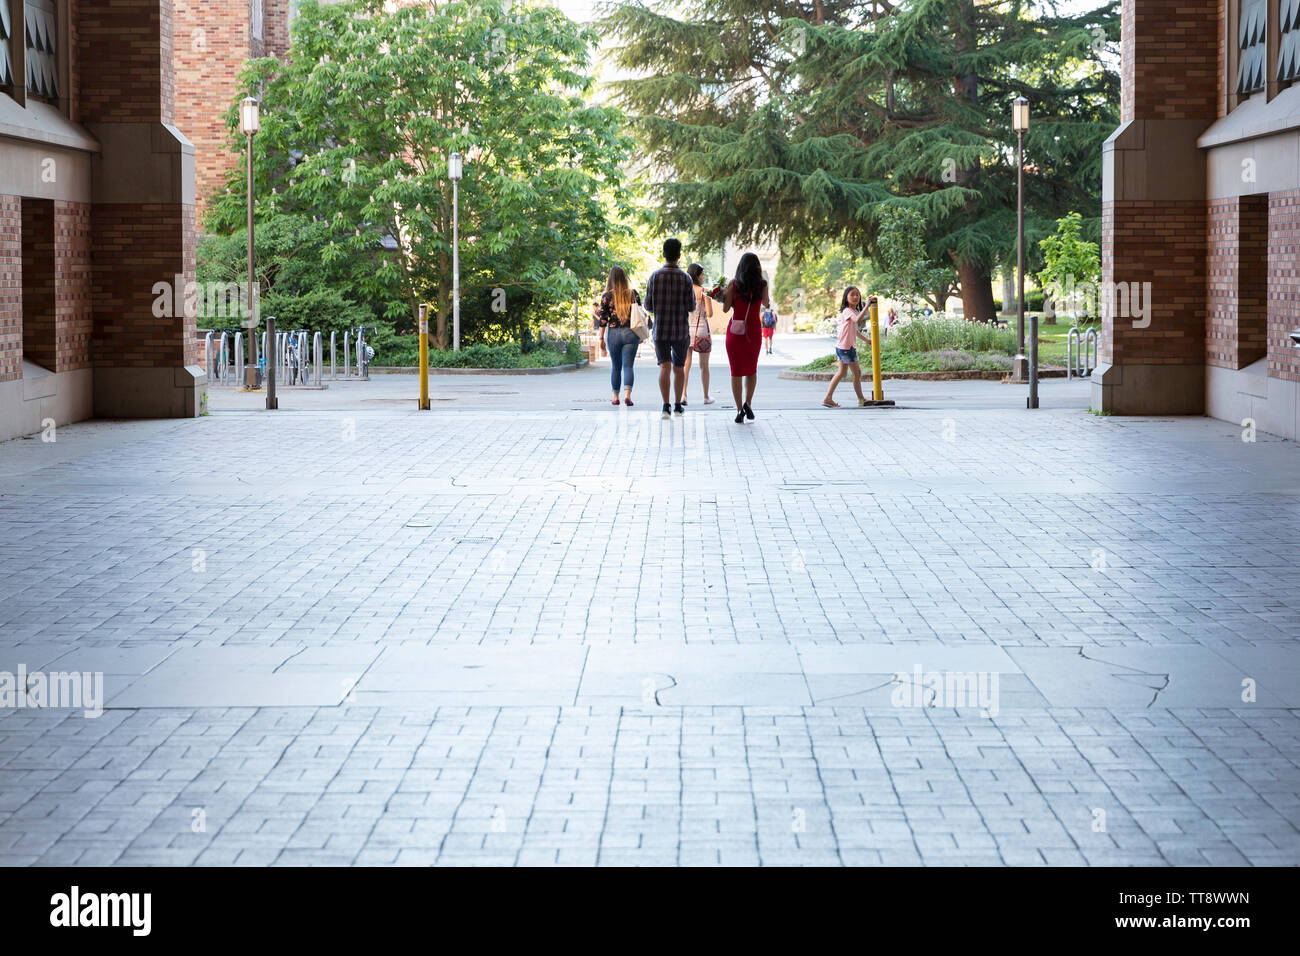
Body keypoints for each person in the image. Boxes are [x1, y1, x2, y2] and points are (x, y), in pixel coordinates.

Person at [642, 238, 695, 419]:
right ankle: (678, 405)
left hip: (661, 330)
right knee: (679, 367)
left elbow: (647, 306)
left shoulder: (655, 277)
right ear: (679, 256)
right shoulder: (686, 278)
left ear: (664, 254)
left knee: (664, 366)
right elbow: (691, 306)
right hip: (680, 330)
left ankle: (666, 406)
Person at [722, 252, 769, 424]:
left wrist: (728, 296)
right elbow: (766, 303)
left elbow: (726, 309)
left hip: (735, 332)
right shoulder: (762, 284)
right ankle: (748, 403)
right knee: (751, 369)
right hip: (754, 332)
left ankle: (739, 409)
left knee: (736, 371)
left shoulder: (734, 285)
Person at [822, 287, 875, 408]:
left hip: (845, 347)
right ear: (846, 297)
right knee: (855, 373)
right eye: (852, 295)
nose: (855, 297)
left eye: (857, 295)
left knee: (843, 373)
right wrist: (867, 305)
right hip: (846, 348)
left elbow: (854, 330)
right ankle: (860, 399)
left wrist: (866, 340)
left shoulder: (852, 311)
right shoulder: (847, 311)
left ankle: (828, 398)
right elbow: (857, 319)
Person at [597, 266, 642, 406]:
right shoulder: (633, 294)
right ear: (624, 278)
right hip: (630, 332)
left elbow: (603, 320)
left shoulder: (606, 297)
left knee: (616, 367)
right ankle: (628, 396)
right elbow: (640, 313)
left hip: (614, 333)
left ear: (611, 279)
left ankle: (616, 398)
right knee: (628, 366)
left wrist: (601, 339)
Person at [682, 263, 715, 405]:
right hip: (701, 330)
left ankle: (683, 395)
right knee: (704, 366)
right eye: (702, 274)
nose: (703, 277)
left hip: (686, 330)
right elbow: (710, 313)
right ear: (697, 275)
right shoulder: (704, 292)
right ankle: (706, 397)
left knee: (685, 364)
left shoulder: (684, 291)